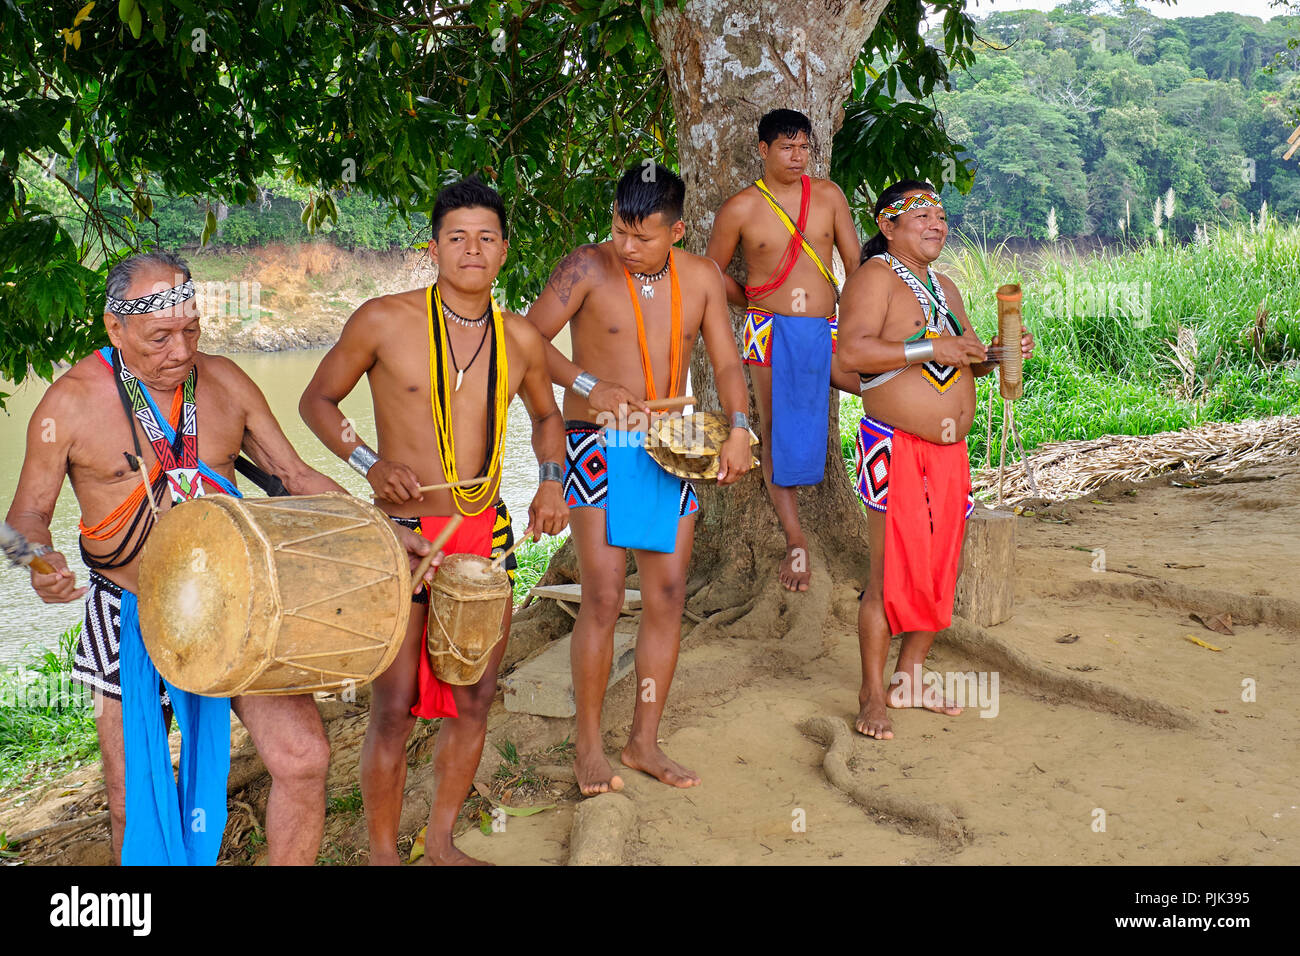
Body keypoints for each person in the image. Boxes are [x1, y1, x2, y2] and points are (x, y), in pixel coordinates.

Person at [3, 250, 434, 864]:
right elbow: (21, 520)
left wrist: (382, 528)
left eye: (190, 329)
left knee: (304, 759)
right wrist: (40, 562)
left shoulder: (227, 382)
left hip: (243, 604)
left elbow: (293, 476)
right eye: (158, 337)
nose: (179, 351)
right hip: (130, 609)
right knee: (132, 798)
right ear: (115, 327)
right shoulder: (68, 404)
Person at [300, 176, 568, 865]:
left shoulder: (521, 337)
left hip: (485, 537)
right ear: (434, 247)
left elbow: (546, 417)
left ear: (504, 250)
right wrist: (365, 460)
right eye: (457, 238)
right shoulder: (383, 320)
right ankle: (384, 855)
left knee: (476, 700)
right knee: (391, 709)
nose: (472, 250)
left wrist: (550, 483)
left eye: (485, 238)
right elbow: (318, 402)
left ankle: (441, 840)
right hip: (403, 538)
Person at [526, 162, 752, 796]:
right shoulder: (584, 268)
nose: (627, 246)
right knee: (601, 595)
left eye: (643, 236)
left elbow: (728, 363)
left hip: (667, 445)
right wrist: (589, 385)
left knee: (668, 596)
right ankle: (588, 748)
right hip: (594, 440)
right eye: (620, 230)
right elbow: (524, 338)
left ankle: (643, 741)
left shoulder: (702, 278)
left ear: (677, 231)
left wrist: (739, 428)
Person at [833, 181, 1034, 740]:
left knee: (939, 566)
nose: (936, 222)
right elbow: (850, 352)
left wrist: (997, 355)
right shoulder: (873, 278)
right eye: (919, 213)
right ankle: (872, 692)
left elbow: (966, 360)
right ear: (887, 225)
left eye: (941, 214)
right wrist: (929, 347)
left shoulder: (943, 287)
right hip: (894, 446)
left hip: (949, 452)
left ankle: (910, 678)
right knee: (886, 573)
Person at [706, 108, 862, 592]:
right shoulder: (740, 208)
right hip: (766, 330)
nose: (797, 157)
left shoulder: (830, 197)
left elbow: (857, 266)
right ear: (763, 150)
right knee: (772, 430)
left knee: (875, 389)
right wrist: (752, 299)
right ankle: (796, 540)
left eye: (803, 148)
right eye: (786, 147)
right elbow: (708, 275)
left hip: (828, 328)